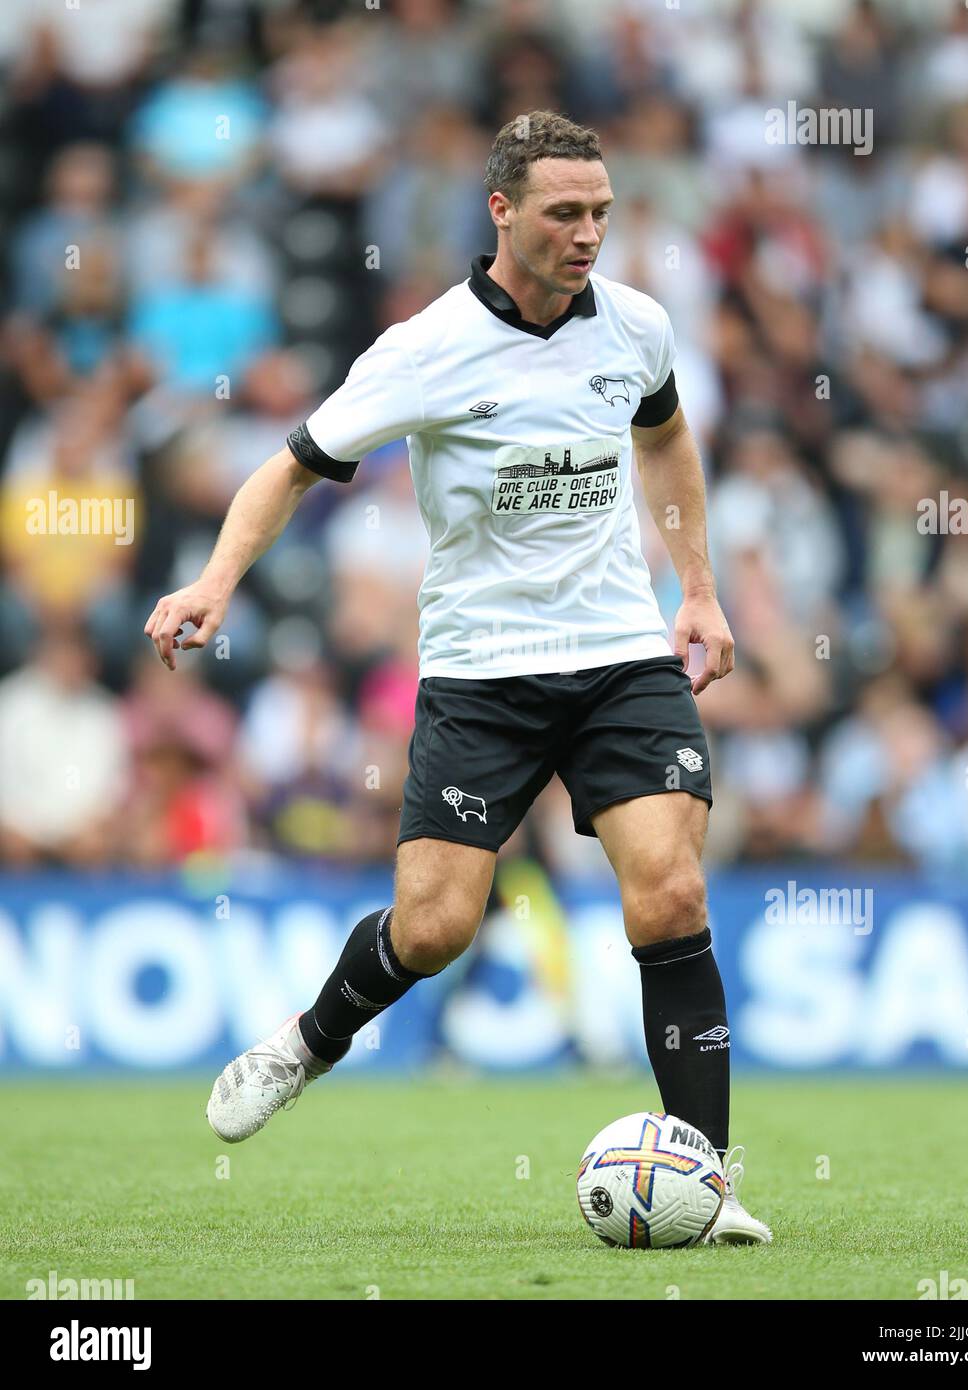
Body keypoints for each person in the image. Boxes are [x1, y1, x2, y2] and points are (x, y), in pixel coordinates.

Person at [145, 110, 771, 1245]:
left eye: (601, 214)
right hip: (483, 672)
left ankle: (709, 1179)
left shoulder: (635, 326)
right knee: (435, 929)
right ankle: (307, 1042)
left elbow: (666, 438)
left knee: (671, 894)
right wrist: (214, 584)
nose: (588, 235)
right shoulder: (424, 350)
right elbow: (287, 471)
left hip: (621, 655)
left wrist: (698, 588)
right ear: (501, 212)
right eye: (563, 214)